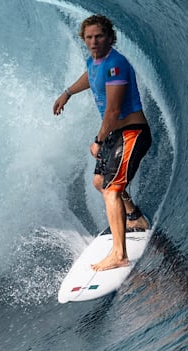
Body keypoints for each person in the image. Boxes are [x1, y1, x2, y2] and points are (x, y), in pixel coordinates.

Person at [52, 14, 153, 271]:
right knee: (100, 183)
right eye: (89, 37)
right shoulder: (96, 61)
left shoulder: (116, 64)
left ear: (110, 37)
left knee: (111, 190)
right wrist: (68, 93)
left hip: (131, 132)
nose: (94, 41)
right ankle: (135, 218)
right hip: (115, 134)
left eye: (99, 36)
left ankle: (119, 255)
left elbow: (113, 111)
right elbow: (90, 75)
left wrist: (98, 140)